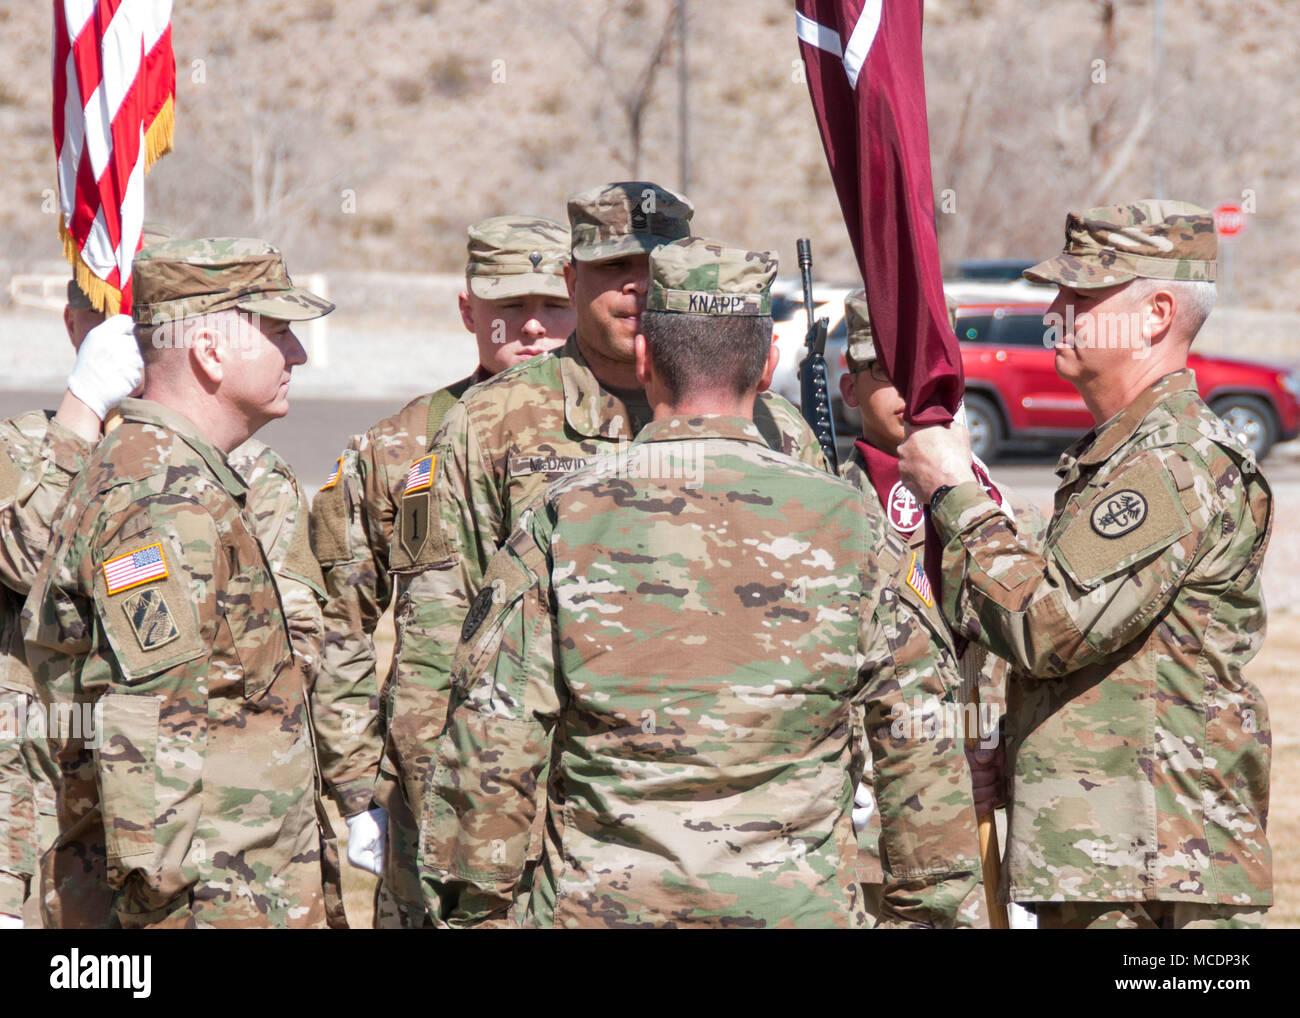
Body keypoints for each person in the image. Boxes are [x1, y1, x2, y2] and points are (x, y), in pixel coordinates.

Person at [419, 237, 979, 928]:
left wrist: (477, 910)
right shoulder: (855, 526)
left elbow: (494, 731)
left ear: (646, 358)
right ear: (769, 362)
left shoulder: (561, 521)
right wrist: (930, 912)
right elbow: (922, 729)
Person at [390, 183, 827, 923]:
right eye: (611, 266)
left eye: (654, 267)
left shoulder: (777, 431)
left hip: (748, 827)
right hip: (561, 840)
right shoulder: (492, 424)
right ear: (571, 280)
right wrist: (462, 836)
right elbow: (438, 643)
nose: (634, 285)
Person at [897, 200, 1273, 929]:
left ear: (1156, 313)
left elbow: (1049, 626)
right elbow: (1124, 673)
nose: (1056, 310)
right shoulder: (1124, 455)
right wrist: (1018, 753)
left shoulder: (1171, 461)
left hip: (1160, 877)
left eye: (1083, 295)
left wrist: (956, 496)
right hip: (1115, 856)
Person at [23, 237, 337, 928]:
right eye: (279, 331)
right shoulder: (164, 499)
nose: (299, 355)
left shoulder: (179, 479)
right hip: (200, 908)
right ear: (210, 350)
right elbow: (149, 730)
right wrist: (156, 913)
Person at [307, 214, 574, 927]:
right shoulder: (399, 445)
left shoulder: (624, 439)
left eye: (552, 304)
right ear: (469, 311)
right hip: (428, 800)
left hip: (577, 795)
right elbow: (335, 618)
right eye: (510, 307)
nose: (533, 327)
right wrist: (358, 783)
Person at [837, 290, 1045, 926]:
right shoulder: (823, 518)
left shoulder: (1006, 516)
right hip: (865, 832)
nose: (912, 389)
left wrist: (1000, 756)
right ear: (849, 388)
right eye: (887, 372)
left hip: (984, 831)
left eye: (929, 372)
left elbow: (1039, 661)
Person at [0, 282, 142, 927]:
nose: (124, 332)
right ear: (70, 324)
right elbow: (30, 561)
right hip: (30, 795)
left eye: (142, 316)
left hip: (158, 780)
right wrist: (82, 412)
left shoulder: (237, 467)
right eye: (101, 315)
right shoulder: (19, 451)